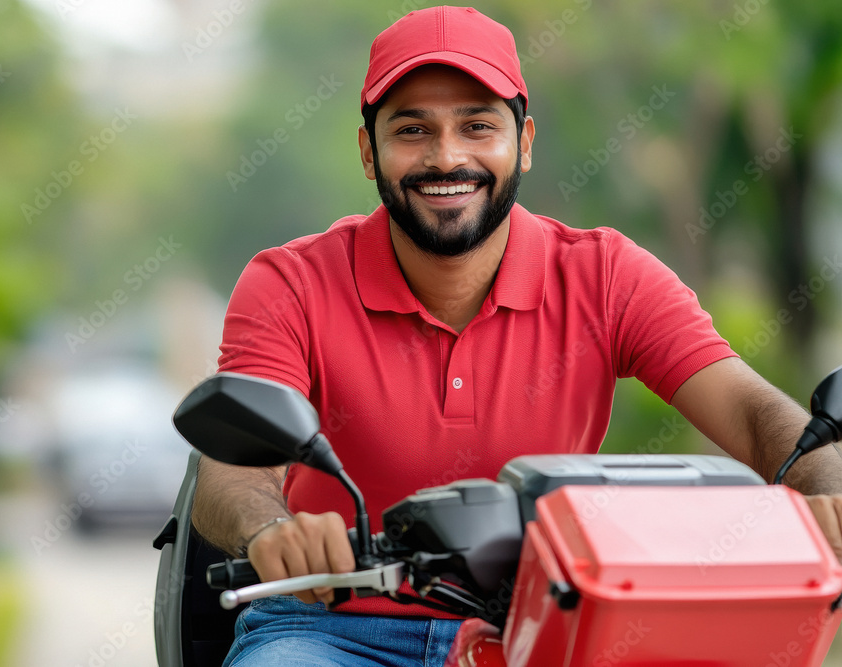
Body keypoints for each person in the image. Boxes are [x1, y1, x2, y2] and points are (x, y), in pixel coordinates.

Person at [191, 6, 842, 666]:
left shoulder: (607, 274)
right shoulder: (290, 282)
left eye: (478, 125)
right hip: (325, 630)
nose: (447, 156)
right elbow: (234, 470)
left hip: (547, 631)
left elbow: (755, 416)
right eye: (413, 129)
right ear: (369, 151)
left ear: (524, 140)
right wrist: (270, 527)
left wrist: (829, 486)